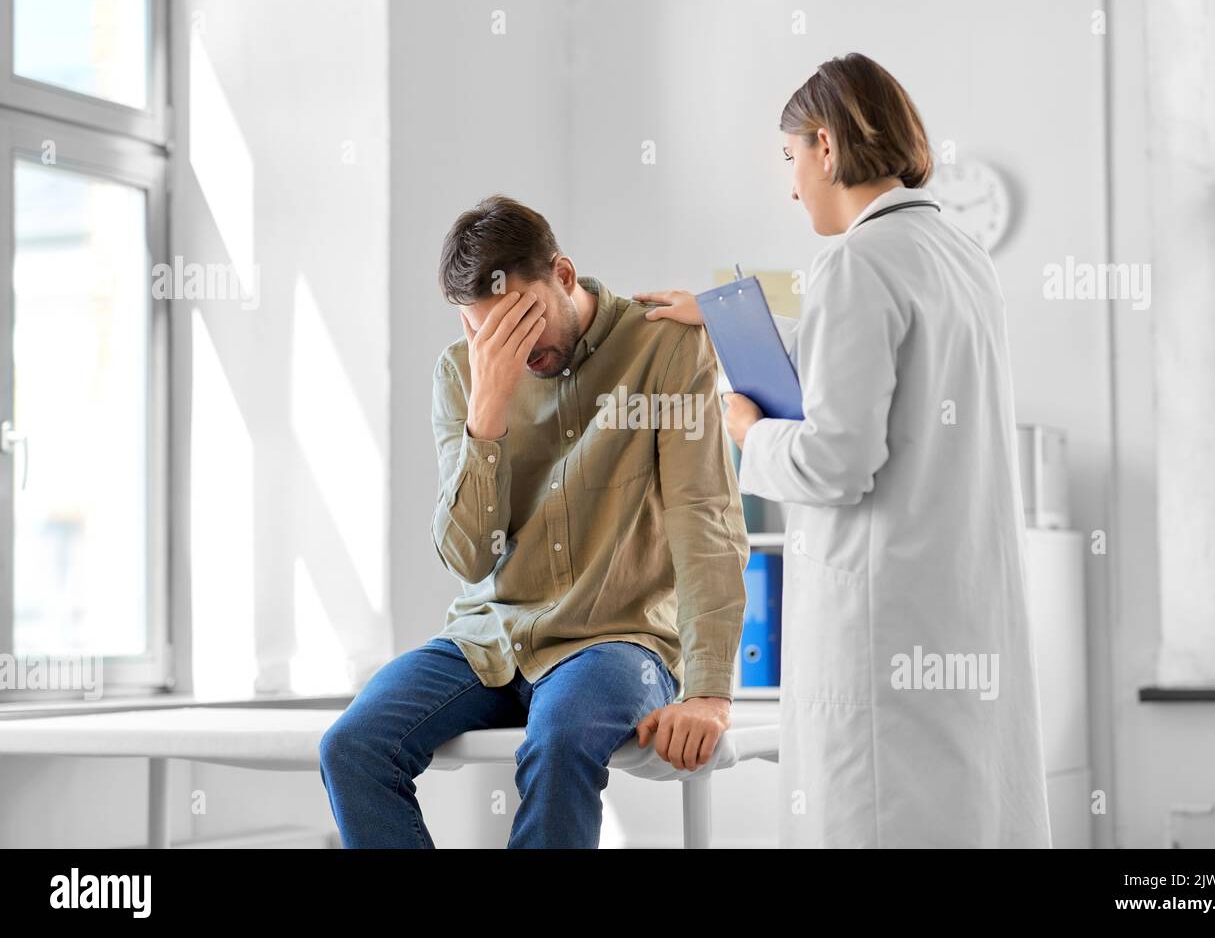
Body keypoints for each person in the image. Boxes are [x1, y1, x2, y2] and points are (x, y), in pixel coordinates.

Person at [636, 53, 1052, 847]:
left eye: (790, 158)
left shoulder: (855, 263)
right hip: (957, 612)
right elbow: (868, 365)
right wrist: (722, 318)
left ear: (826, 146)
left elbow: (836, 459)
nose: (792, 187)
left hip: (882, 626)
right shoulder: (958, 256)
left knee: (873, 818)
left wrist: (750, 435)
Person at [319, 195, 748, 848]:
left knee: (563, 740)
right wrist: (486, 413)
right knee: (352, 745)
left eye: (525, 322)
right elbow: (466, 558)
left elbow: (704, 522)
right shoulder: (462, 375)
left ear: (564, 276)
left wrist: (710, 692)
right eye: (487, 334)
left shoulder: (666, 347)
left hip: (614, 640)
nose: (515, 351)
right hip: (488, 635)